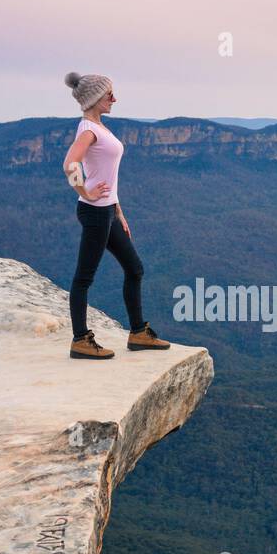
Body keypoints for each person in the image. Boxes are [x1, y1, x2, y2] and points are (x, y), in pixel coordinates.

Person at [61, 71, 171, 360]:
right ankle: (80, 340)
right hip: (95, 213)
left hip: (107, 212)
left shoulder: (100, 126)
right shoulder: (89, 129)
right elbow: (70, 163)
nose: (114, 98)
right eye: (109, 94)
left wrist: (118, 212)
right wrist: (85, 193)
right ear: (95, 98)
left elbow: (109, 176)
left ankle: (137, 333)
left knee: (134, 268)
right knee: (84, 278)